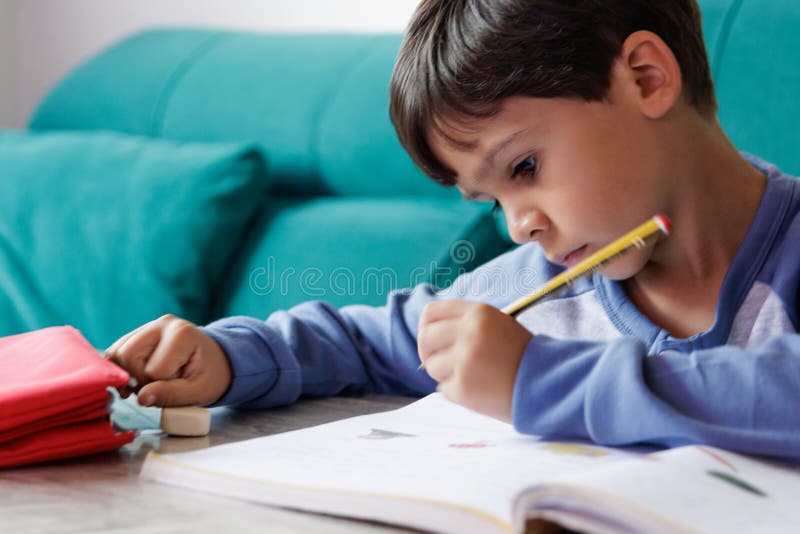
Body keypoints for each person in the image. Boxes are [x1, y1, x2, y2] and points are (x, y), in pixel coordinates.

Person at [106, 0, 800, 459]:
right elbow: (365, 341)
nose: (520, 226)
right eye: (492, 200)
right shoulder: (534, 289)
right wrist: (229, 357)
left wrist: (538, 378)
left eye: (524, 167)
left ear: (646, 79)